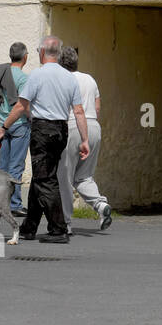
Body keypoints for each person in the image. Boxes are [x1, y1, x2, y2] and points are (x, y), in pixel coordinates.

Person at [0, 35, 88, 244]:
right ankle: (29, 227)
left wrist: (4, 128)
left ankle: (58, 229)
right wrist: (84, 140)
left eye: (38, 51)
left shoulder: (37, 75)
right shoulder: (69, 78)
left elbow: (20, 105)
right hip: (61, 130)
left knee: (46, 179)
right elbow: (79, 111)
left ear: (43, 52)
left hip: (43, 130)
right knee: (40, 176)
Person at [57, 45, 112, 233]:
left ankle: (65, 222)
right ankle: (100, 205)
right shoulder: (90, 79)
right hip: (93, 126)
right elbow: (97, 108)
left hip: (72, 125)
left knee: (65, 177)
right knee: (84, 175)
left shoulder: (63, 79)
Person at [0, 43, 30, 215]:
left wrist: (3, 119)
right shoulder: (23, 78)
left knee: (3, 166)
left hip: (3, 124)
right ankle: (15, 205)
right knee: (16, 166)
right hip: (19, 125)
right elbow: (22, 106)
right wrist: (32, 117)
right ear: (25, 57)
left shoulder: (0, 74)